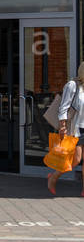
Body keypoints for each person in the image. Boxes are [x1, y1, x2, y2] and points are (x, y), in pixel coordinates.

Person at [48, 62, 84, 195]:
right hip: (76, 128)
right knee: (75, 160)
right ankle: (53, 177)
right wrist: (62, 126)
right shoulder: (72, 85)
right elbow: (63, 107)